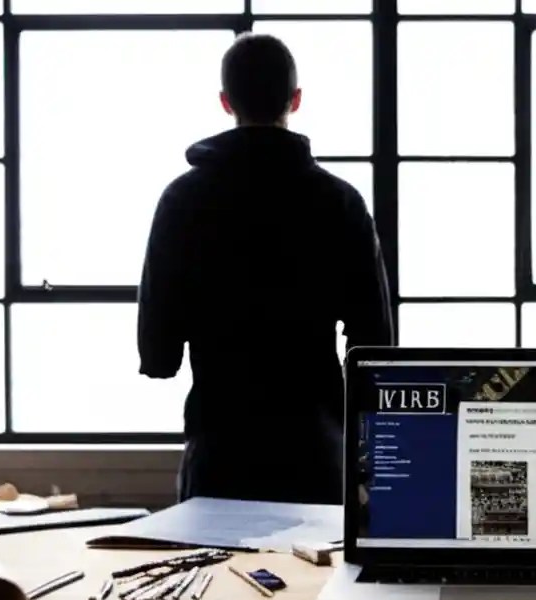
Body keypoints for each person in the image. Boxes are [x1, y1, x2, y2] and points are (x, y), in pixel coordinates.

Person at [136, 33, 393, 506]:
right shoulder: (340, 203)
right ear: (295, 100)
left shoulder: (182, 201)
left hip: (220, 449)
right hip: (316, 450)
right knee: (313, 581)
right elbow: (375, 346)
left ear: (225, 101)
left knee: (214, 578)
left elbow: (158, 355)